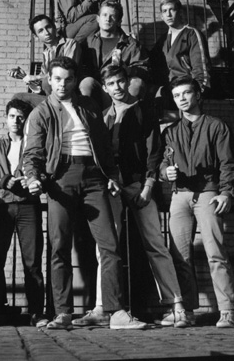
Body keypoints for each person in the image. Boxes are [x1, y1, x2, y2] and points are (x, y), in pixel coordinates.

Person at [22, 56, 146, 330]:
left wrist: (112, 176)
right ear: (49, 80)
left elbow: (103, 147)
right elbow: (32, 153)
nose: (62, 84)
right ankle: (63, 313)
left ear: (75, 80)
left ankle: (116, 313)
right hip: (61, 178)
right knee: (59, 246)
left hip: (94, 178)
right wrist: (32, 177)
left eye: (67, 79)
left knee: (110, 245)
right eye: (57, 79)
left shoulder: (89, 106)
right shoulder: (41, 113)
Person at [73, 65, 190, 328]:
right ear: (105, 88)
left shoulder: (144, 109)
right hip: (112, 188)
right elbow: (100, 156)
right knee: (105, 247)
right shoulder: (103, 117)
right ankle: (102, 307)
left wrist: (149, 185)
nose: (117, 87)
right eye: (111, 83)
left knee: (155, 244)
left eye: (121, 81)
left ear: (128, 82)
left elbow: (154, 150)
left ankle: (178, 306)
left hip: (139, 185)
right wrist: (109, 181)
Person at [159, 76, 234, 328]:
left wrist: (226, 192)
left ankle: (227, 310)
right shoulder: (170, 131)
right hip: (179, 195)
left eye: (186, 93)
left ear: (198, 96)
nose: (181, 99)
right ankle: (185, 311)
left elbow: (228, 164)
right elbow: (163, 163)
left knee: (215, 252)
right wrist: (165, 173)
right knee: (179, 256)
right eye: (176, 95)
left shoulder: (217, 126)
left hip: (208, 192)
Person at [0, 99, 46, 328]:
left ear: (27, 120)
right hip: (1, 207)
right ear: (6, 118)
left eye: (21, 117)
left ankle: (37, 313)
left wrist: (35, 181)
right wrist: (2, 181)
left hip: (28, 205)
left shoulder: (35, 144)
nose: (16, 121)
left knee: (32, 262)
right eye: (12, 116)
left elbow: (45, 173)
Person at [79, 0, 149, 109]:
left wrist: (128, 70)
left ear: (119, 21)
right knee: (86, 83)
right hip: (98, 90)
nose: (107, 19)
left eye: (112, 16)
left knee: (136, 83)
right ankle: (90, 121)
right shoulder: (88, 42)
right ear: (98, 18)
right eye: (104, 15)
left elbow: (144, 70)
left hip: (121, 90)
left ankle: (126, 121)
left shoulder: (131, 45)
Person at [150, 0, 211, 119]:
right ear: (161, 16)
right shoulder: (163, 40)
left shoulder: (192, 34)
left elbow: (201, 67)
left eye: (172, 10)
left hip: (186, 93)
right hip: (169, 94)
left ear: (180, 12)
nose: (168, 14)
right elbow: (151, 61)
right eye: (164, 11)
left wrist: (197, 94)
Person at [8, 14, 81, 107]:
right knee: (17, 97)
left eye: (48, 27)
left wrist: (35, 77)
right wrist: (24, 76)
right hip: (52, 98)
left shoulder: (70, 44)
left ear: (54, 27)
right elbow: (41, 87)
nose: (46, 32)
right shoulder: (46, 54)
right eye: (40, 31)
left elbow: (66, 72)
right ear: (36, 36)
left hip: (70, 94)